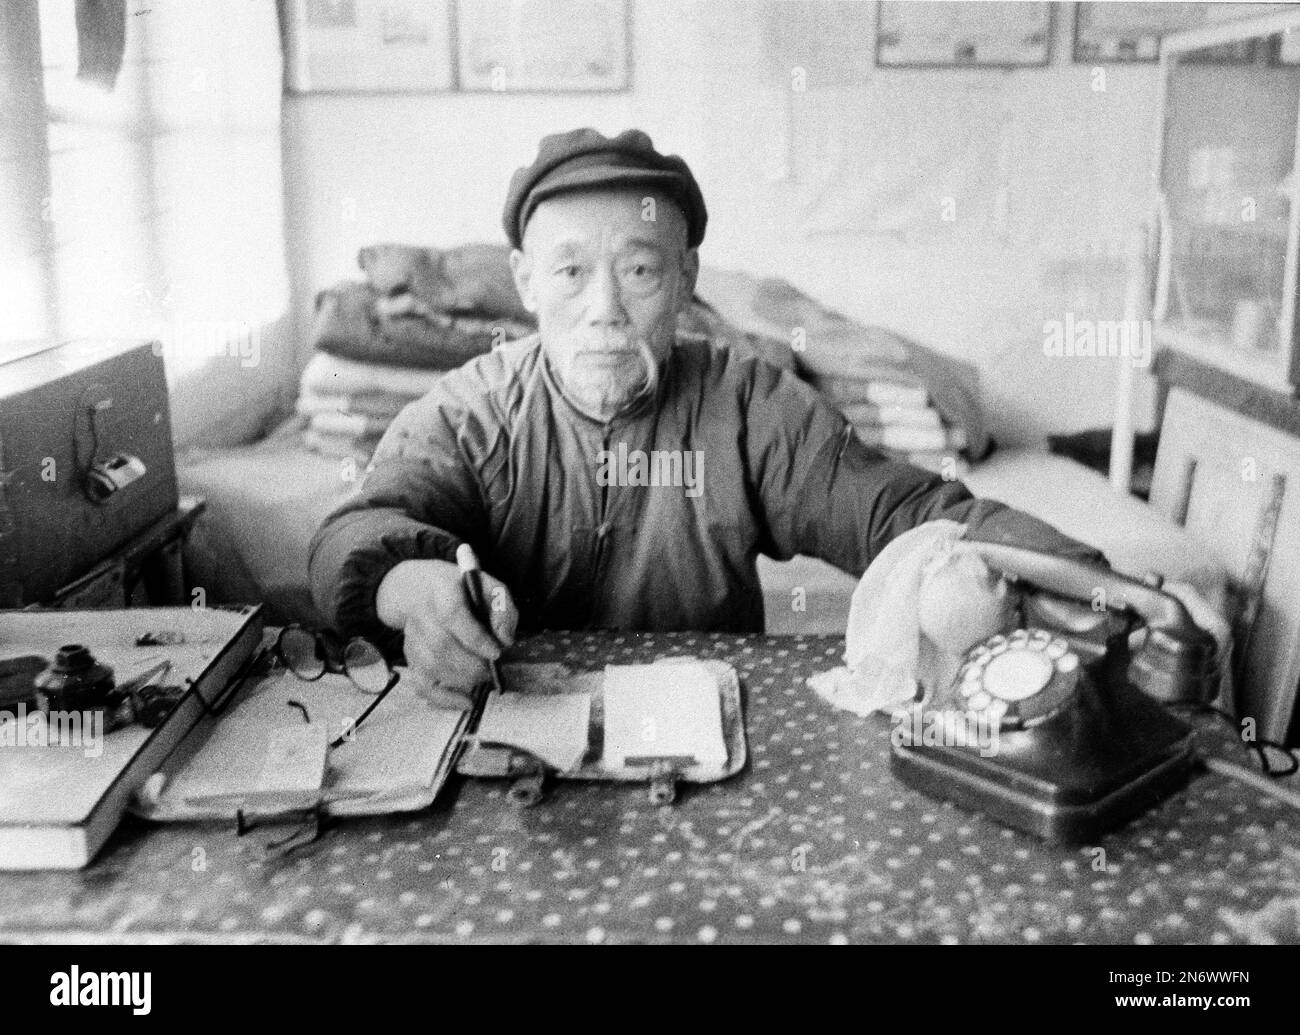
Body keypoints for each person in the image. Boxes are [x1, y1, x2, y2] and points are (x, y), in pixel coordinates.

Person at [307, 128, 1150, 702]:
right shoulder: (471, 411)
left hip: (701, 748)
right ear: (526, 284)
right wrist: (407, 585)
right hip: (508, 744)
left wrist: (1101, 578)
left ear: (683, 281)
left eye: (638, 271)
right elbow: (356, 529)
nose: (604, 309)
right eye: (570, 275)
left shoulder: (747, 404)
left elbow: (909, 512)